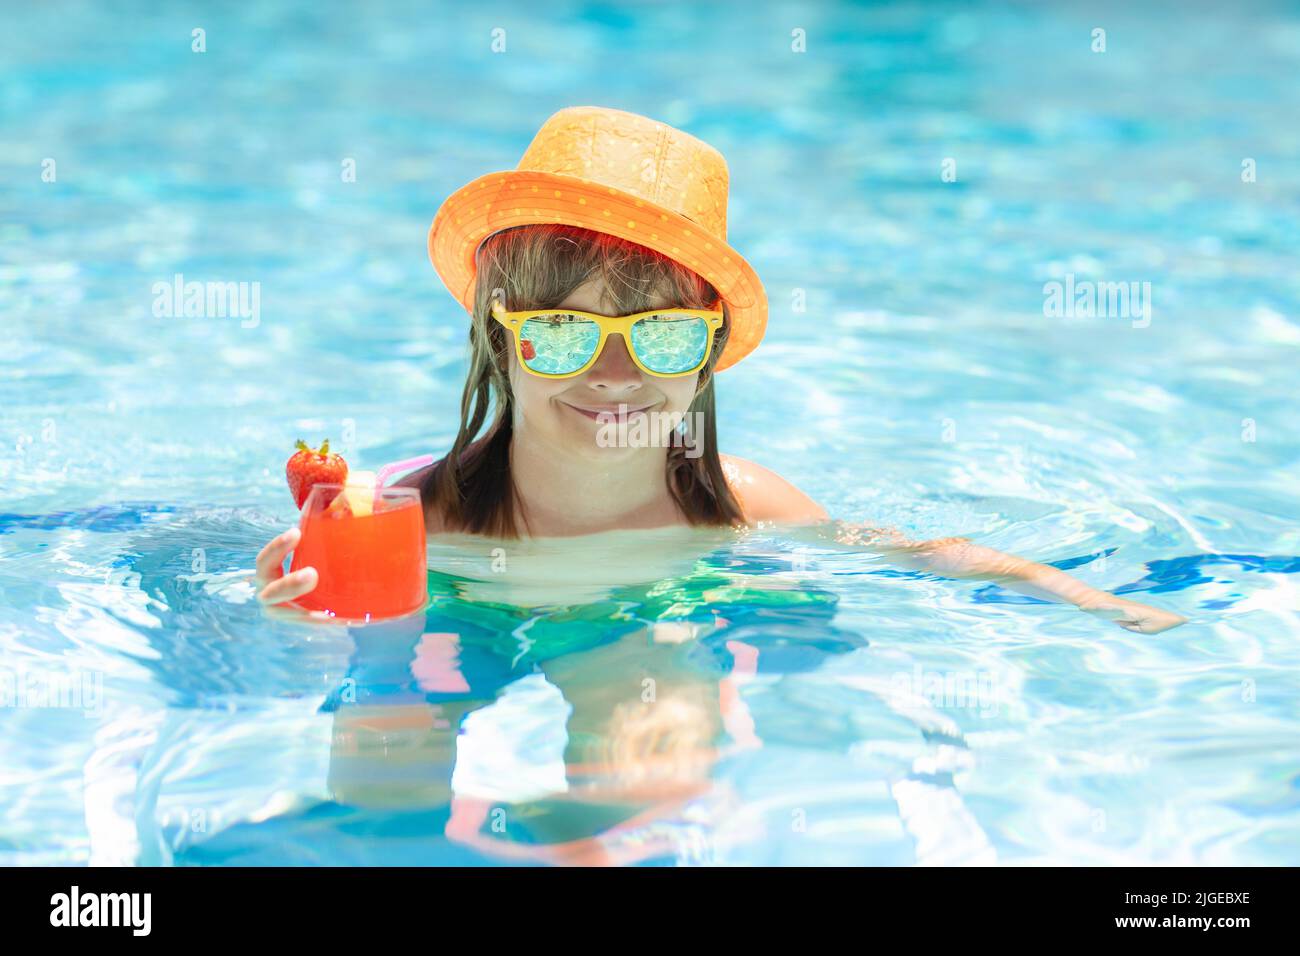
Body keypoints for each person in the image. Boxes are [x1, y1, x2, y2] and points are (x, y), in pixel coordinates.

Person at [254, 105, 1185, 634]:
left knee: (655, 730)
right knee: (391, 755)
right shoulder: (417, 516)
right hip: (464, 636)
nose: (615, 373)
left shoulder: (738, 509)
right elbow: (313, 628)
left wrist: (1084, 598)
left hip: (647, 637)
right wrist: (292, 615)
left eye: (659, 335)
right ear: (501, 341)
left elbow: (914, 555)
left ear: (705, 355)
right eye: (564, 332)